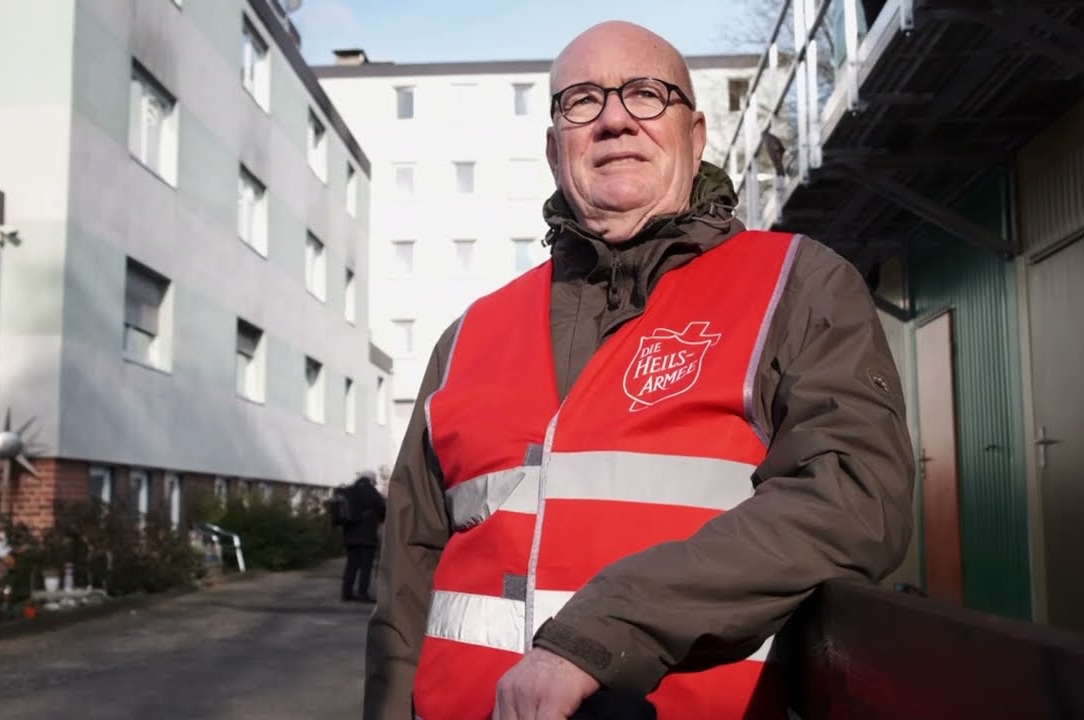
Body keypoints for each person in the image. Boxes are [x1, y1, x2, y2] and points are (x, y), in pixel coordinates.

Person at [365, 20, 915, 720]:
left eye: (647, 95)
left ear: (696, 134)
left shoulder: (796, 286)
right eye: (581, 101)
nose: (615, 119)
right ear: (552, 146)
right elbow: (408, 576)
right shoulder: (467, 335)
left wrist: (602, 635)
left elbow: (856, 496)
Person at [339, 470, 386, 602]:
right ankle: (362, 593)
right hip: (367, 537)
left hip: (349, 535)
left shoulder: (348, 491)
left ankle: (346, 593)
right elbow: (383, 510)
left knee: (351, 565)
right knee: (366, 566)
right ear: (371, 480)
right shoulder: (372, 492)